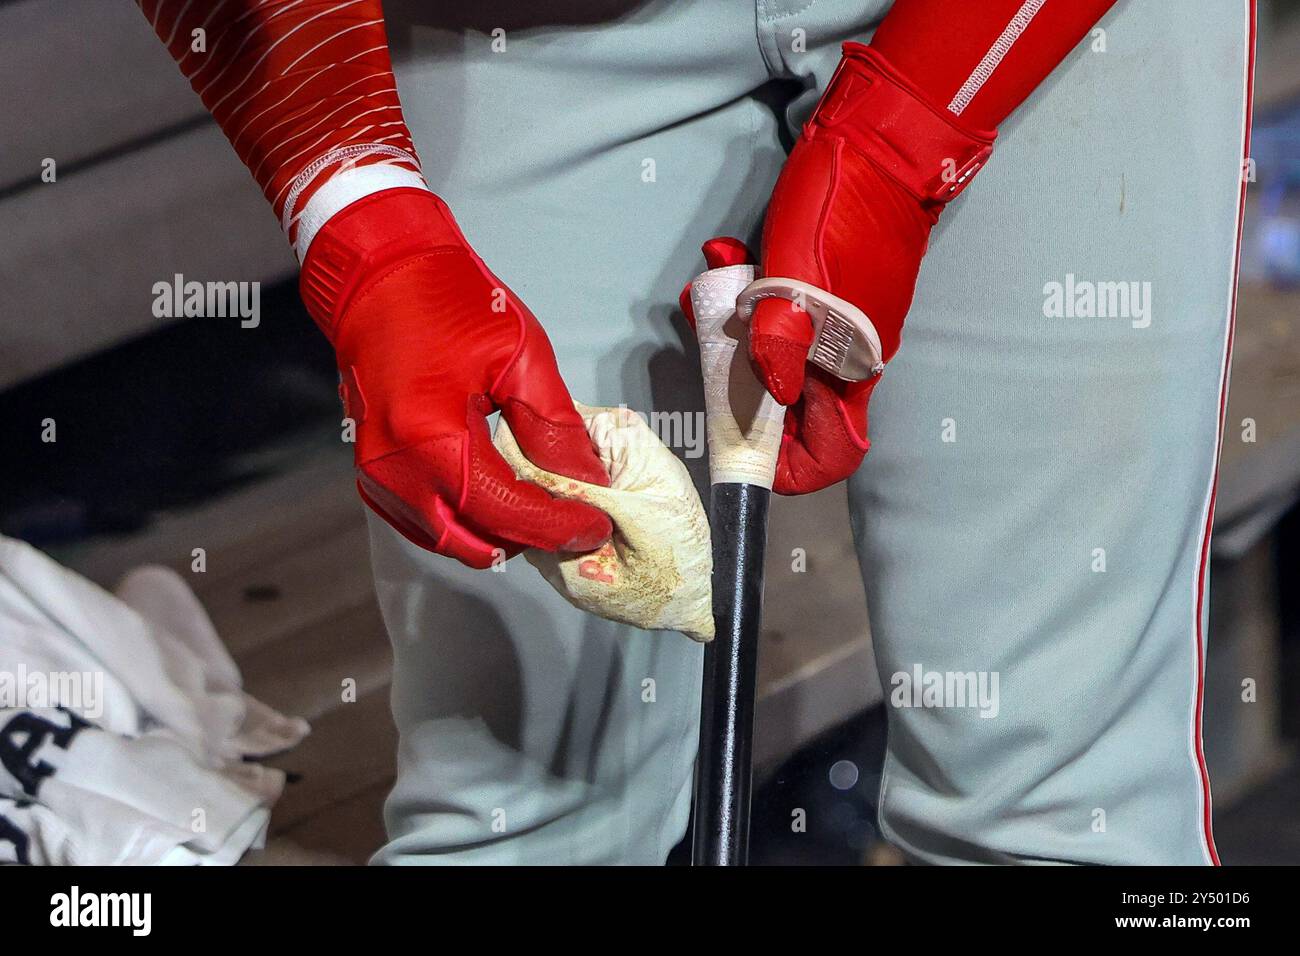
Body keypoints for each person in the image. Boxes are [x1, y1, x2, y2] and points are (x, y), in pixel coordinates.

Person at [135, 0, 1255, 864]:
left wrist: (899, 139)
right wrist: (358, 216)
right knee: (517, 818)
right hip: (528, 36)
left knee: (1050, 807)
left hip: (1031, 33)